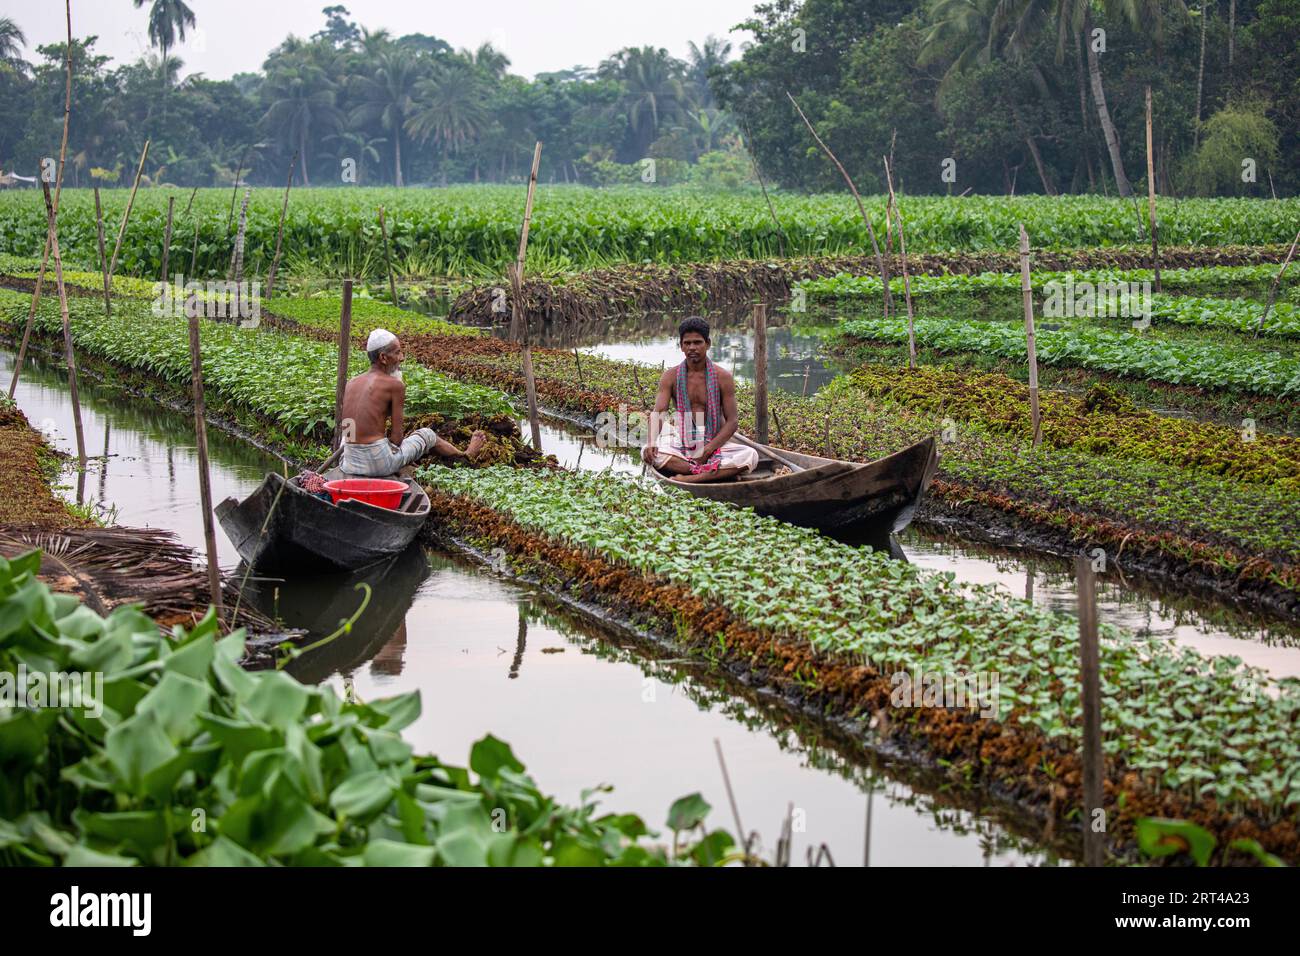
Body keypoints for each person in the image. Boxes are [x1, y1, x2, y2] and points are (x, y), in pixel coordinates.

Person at [339, 328, 486, 477]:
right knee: (427, 435)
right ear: (383, 358)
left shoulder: (351, 383)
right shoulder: (395, 385)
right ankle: (466, 454)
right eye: (397, 352)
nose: (402, 358)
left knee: (358, 440)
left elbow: (348, 431)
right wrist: (396, 453)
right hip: (379, 464)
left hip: (348, 462)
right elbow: (397, 439)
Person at [641, 316, 759, 483]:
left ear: (708, 344)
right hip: (683, 442)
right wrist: (652, 441)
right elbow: (659, 412)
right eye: (687, 343)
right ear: (681, 346)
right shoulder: (670, 377)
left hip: (715, 443)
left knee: (750, 455)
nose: (692, 348)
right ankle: (705, 471)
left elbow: (732, 422)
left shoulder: (723, 377)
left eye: (697, 342)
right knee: (650, 451)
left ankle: (692, 478)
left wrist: (707, 450)